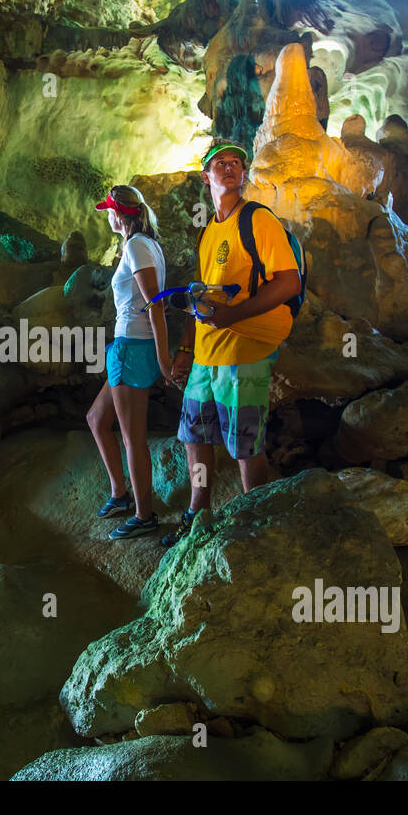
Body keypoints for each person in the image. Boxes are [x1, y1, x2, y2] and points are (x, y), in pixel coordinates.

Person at [162, 139, 303, 549]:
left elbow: (289, 281)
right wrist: (186, 350)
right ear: (205, 176)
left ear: (243, 174)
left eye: (236, 163)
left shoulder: (258, 220)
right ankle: (197, 511)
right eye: (219, 163)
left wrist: (235, 316)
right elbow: (201, 298)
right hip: (206, 355)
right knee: (194, 437)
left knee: (245, 444)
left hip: (245, 353)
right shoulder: (209, 232)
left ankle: (252, 524)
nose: (229, 167)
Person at [85, 185, 172, 540]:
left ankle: (144, 514)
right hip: (129, 346)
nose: (107, 215)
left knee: (132, 438)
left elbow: (156, 305)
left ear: (119, 214)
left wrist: (164, 361)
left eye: (109, 210)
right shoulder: (146, 244)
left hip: (133, 348)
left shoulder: (137, 246)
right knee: (95, 418)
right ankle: (120, 494)